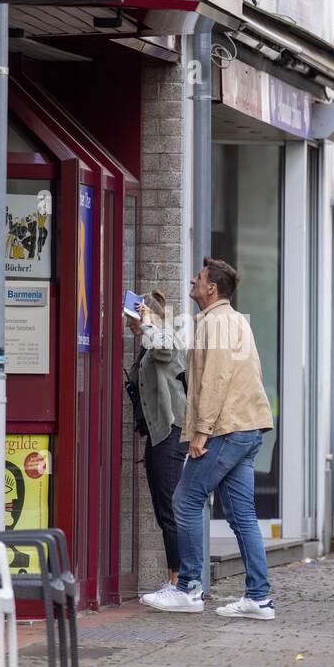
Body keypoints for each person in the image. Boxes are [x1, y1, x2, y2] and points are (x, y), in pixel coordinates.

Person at [141, 257, 276, 619]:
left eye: (198, 278)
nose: (192, 280)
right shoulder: (231, 321)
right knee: (242, 515)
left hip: (225, 429)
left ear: (211, 288)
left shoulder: (215, 324)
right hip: (247, 427)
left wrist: (200, 432)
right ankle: (259, 598)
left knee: (184, 500)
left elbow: (215, 381)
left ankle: (187, 588)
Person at [125, 290, 187, 591]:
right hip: (158, 434)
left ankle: (180, 581)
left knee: (170, 509)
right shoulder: (149, 343)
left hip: (170, 432)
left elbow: (163, 351)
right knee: (164, 510)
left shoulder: (166, 338)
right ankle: (174, 577)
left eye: (131, 319)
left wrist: (149, 323)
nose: (128, 325)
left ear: (145, 315)